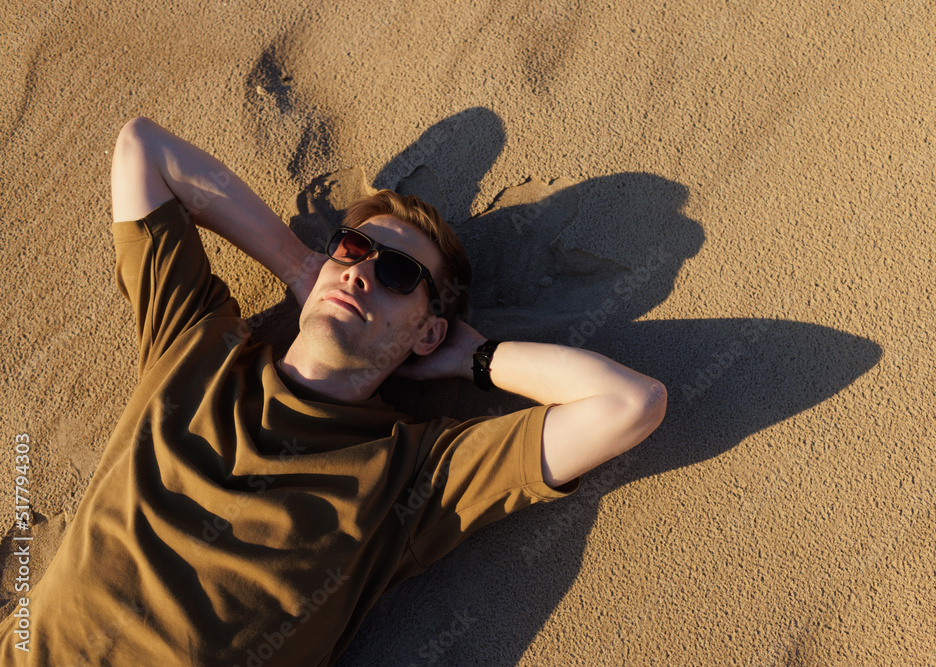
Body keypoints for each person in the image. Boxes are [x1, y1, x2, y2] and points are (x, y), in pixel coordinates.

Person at [0, 116, 667, 665]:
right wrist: (297, 264)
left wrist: (476, 358)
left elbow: (628, 403)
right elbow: (141, 149)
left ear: (428, 332)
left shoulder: (409, 474)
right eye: (352, 249)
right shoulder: (196, 344)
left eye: (399, 274)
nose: (360, 275)